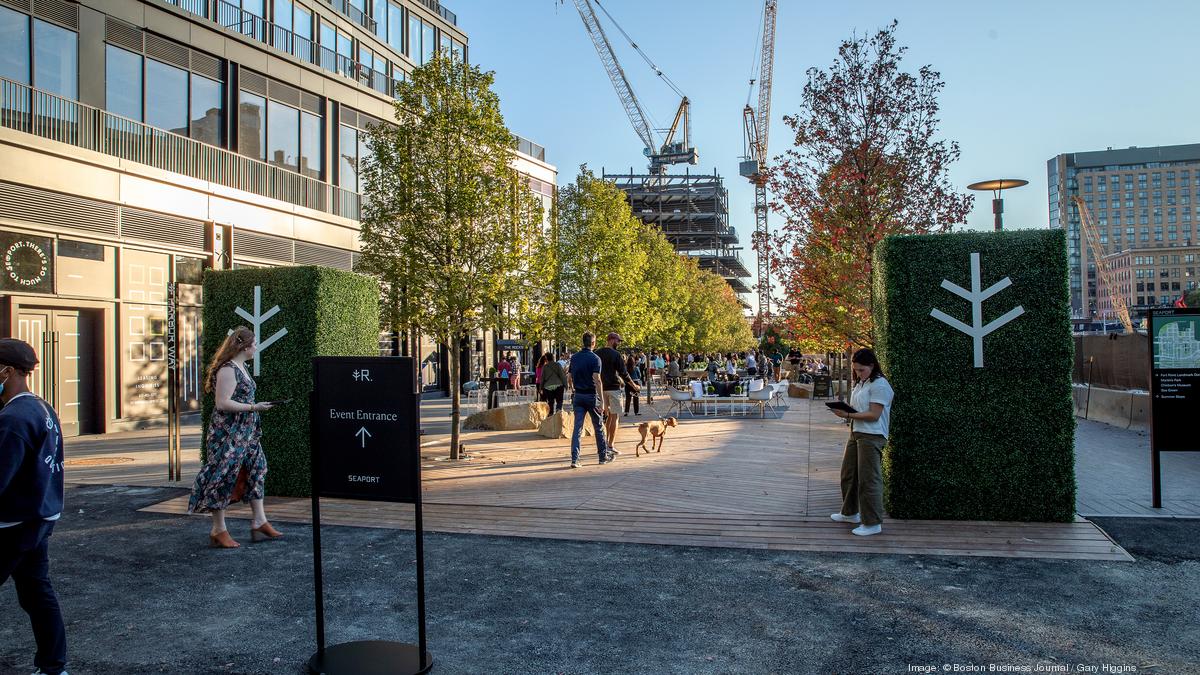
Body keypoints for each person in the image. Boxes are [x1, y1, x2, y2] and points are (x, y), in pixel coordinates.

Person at [0, 338, 69, 675]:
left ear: (7, 370)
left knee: (37, 593)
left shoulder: (13, 418)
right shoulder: (42, 408)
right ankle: (54, 667)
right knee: (36, 593)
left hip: (14, 524)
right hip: (40, 517)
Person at [188, 326, 281, 548]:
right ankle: (218, 529)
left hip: (246, 432)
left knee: (257, 468)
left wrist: (255, 408)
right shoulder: (228, 369)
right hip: (228, 433)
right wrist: (253, 407)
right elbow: (222, 403)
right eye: (254, 344)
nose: (256, 347)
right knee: (223, 474)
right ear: (244, 346)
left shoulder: (242, 367)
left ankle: (260, 521)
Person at [828, 348, 894, 537]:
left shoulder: (880, 385)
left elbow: (874, 415)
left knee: (869, 479)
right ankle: (849, 513)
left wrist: (848, 414)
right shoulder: (862, 382)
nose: (858, 373)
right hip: (857, 432)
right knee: (848, 475)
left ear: (872, 366)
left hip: (872, 435)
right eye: (855, 369)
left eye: (861, 369)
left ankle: (873, 523)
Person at [566, 332, 610, 468]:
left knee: (577, 429)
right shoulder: (595, 359)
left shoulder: (574, 358)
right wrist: (602, 401)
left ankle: (575, 459)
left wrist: (573, 389)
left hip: (578, 396)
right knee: (598, 426)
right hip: (591, 395)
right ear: (593, 343)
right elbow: (597, 380)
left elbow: (569, 377)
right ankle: (602, 456)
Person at [595, 332, 640, 457]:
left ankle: (605, 444)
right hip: (614, 388)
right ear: (611, 340)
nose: (618, 343)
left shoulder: (597, 353)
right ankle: (610, 445)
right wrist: (634, 386)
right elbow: (624, 373)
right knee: (614, 417)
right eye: (617, 341)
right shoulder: (616, 355)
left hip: (601, 389)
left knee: (607, 416)